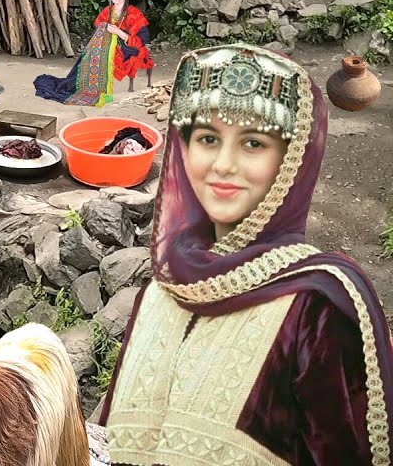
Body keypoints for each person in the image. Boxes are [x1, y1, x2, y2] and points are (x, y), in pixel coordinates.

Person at [99, 44, 393, 465]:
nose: (223, 164)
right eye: (207, 138)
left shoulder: (317, 307)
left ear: (292, 160)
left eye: (253, 143)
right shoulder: (160, 291)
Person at [34, 0, 154, 106]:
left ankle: (103, 91)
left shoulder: (134, 14)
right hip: (108, 45)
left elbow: (142, 41)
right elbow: (99, 33)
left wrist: (120, 33)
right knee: (90, 54)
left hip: (128, 47)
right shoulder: (107, 12)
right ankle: (84, 87)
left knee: (102, 55)